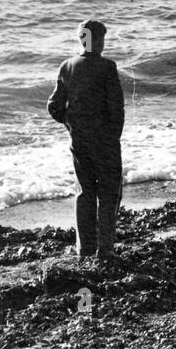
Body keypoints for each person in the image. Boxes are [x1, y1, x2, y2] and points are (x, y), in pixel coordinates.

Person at [47, 20, 125, 261]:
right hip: (104, 141)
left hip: (79, 140)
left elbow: (53, 106)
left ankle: (85, 248)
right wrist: (113, 136)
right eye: (102, 39)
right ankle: (106, 249)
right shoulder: (107, 67)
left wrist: (71, 125)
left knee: (85, 192)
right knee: (110, 193)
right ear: (98, 40)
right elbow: (116, 108)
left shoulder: (67, 66)